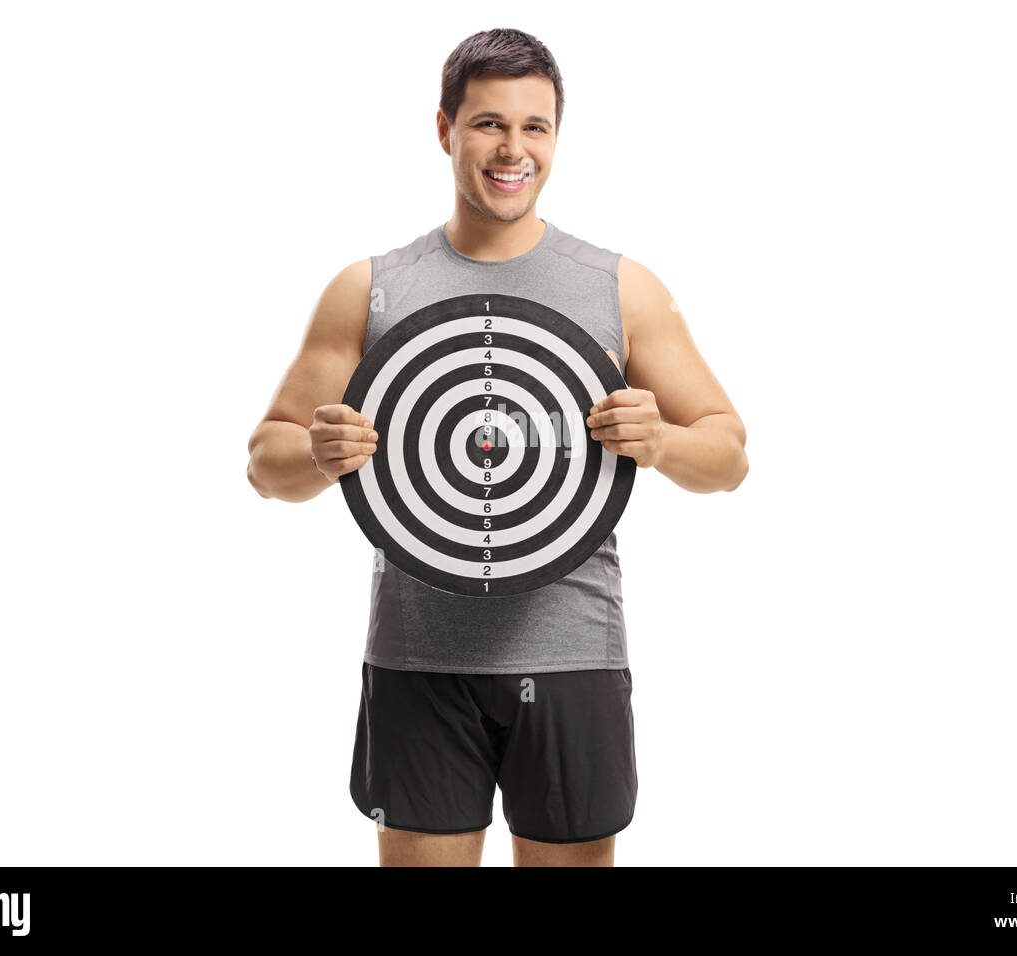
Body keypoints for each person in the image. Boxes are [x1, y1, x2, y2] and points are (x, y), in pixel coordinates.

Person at [246, 28, 749, 867]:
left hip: (573, 656)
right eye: (488, 124)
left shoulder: (619, 287)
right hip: (418, 662)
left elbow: (728, 451)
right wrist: (320, 453)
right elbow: (267, 461)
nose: (513, 150)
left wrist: (660, 440)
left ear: (556, 136)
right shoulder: (372, 288)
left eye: (535, 127)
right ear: (444, 130)